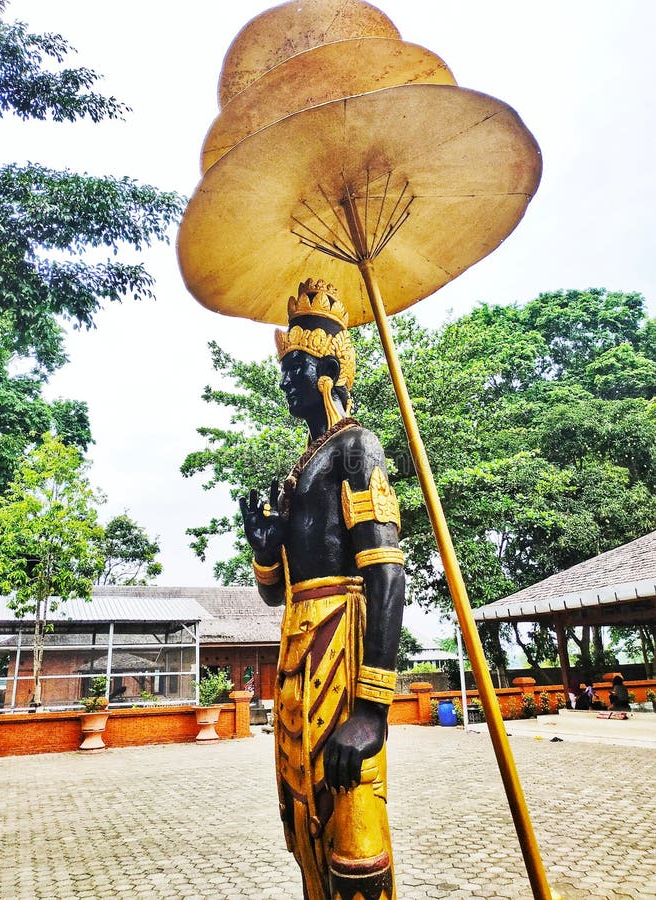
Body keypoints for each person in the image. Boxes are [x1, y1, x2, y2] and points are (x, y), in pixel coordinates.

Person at [239, 279, 404, 900]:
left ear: (330, 374)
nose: (284, 382)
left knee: (354, 828)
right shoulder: (300, 467)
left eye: (295, 368)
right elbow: (277, 595)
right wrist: (263, 549)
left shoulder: (357, 449)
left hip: (341, 645)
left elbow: (388, 575)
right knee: (306, 815)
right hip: (297, 654)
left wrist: (370, 711)